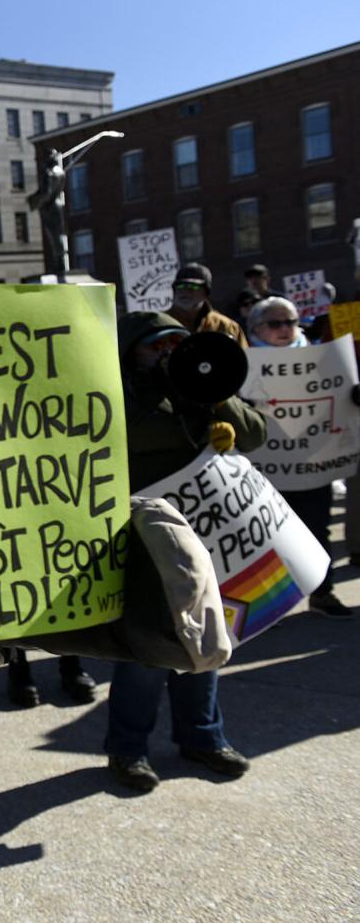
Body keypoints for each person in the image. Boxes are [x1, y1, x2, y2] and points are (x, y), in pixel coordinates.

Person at [104, 312, 264, 792]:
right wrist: (176, 399)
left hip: (205, 535)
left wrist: (217, 400)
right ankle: (128, 749)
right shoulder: (119, 393)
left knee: (208, 640)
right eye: (156, 347)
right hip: (146, 541)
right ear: (132, 352)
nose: (167, 354)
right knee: (147, 650)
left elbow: (255, 433)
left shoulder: (200, 386)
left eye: (177, 345)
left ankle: (203, 737)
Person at [247, 297, 352, 617]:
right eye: (274, 323)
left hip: (311, 465)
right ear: (256, 329)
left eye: (290, 322)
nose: (284, 329)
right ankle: (270, 608)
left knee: (316, 532)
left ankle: (323, 593)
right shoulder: (244, 364)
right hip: (265, 470)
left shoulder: (324, 358)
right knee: (268, 539)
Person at [168, 263, 247, 346]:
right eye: (181, 286)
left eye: (194, 286)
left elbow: (245, 357)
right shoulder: (159, 325)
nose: (186, 291)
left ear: (205, 292)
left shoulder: (226, 326)